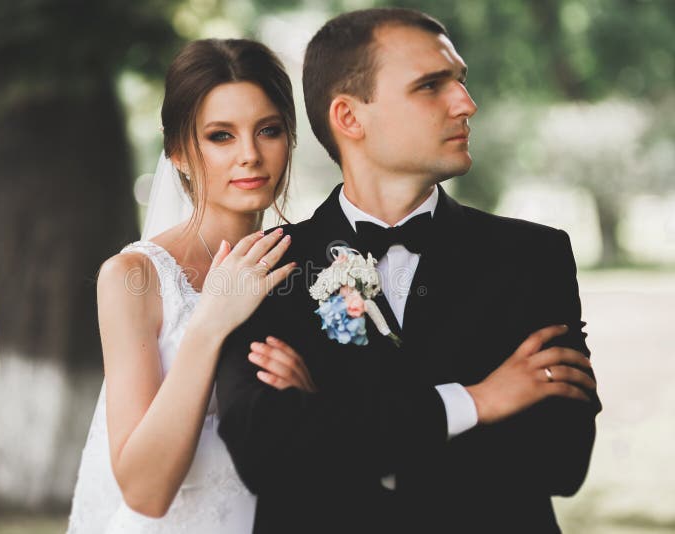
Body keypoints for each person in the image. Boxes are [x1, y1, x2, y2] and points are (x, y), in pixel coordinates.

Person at [216, 8, 601, 533]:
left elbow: (559, 457)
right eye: (430, 86)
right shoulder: (267, 265)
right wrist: (476, 401)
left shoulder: (533, 256)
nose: (466, 103)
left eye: (460, 82)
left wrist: (328, 415)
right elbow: (267, 456)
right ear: (350, 118)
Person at [67, 38, 316, 534]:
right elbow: (144, 492)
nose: (250, 155)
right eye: (221, 136)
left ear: (289, 138)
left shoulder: (310, 266)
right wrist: (209, 324)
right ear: (179, 152)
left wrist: (312, 398)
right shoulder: (134, 276)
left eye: (267, 130)